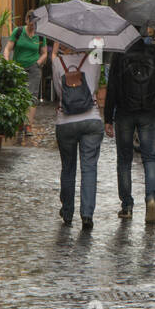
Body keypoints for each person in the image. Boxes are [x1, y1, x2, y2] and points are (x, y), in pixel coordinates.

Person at [104, 29, 155, 225]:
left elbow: (112, 87)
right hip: (149, 112)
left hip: (124, 112)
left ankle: (127, 206)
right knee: (150, 158)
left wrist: (108, 118)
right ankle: (151, 198)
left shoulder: (120, 54)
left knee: (124, 160)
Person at [51, 41, 105, 229]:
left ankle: (67, 212)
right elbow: (95, 86)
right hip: (91, 119)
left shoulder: (57, 62)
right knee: (89, 168)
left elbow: (59, 92)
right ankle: (87, 214)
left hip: (65, 122)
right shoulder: (94, 58)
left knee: (68, 168)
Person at [3, 13, 48, 123]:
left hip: (34, 68)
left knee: (32, 96)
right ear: (26, 20)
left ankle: (28, 124)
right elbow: (7, 49)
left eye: (35, 24)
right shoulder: (18, 31)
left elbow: (44, 53)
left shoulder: (40, 35)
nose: (33, 26)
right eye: (31, 24)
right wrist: (7, 62)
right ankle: (19, 121)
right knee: (18, 94)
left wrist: (37, 63)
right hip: (18, 67)